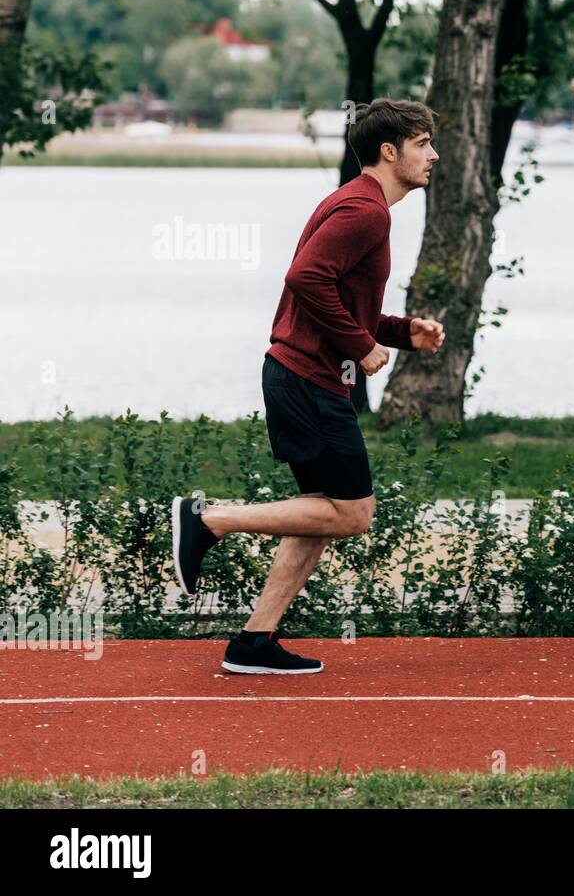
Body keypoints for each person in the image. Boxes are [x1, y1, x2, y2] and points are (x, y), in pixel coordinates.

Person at [170, 98, 445, 674]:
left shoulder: (358, 203)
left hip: (303, 377)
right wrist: (363, 347)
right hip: (308, 380)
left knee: (318, 513)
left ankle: (254, 642)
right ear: (389, 152)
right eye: (423, 144)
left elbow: (337, 297)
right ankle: (209, 520)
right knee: (353, 514)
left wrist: (399, 332)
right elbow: (305, 278)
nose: (433, 155)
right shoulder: (365, 211)